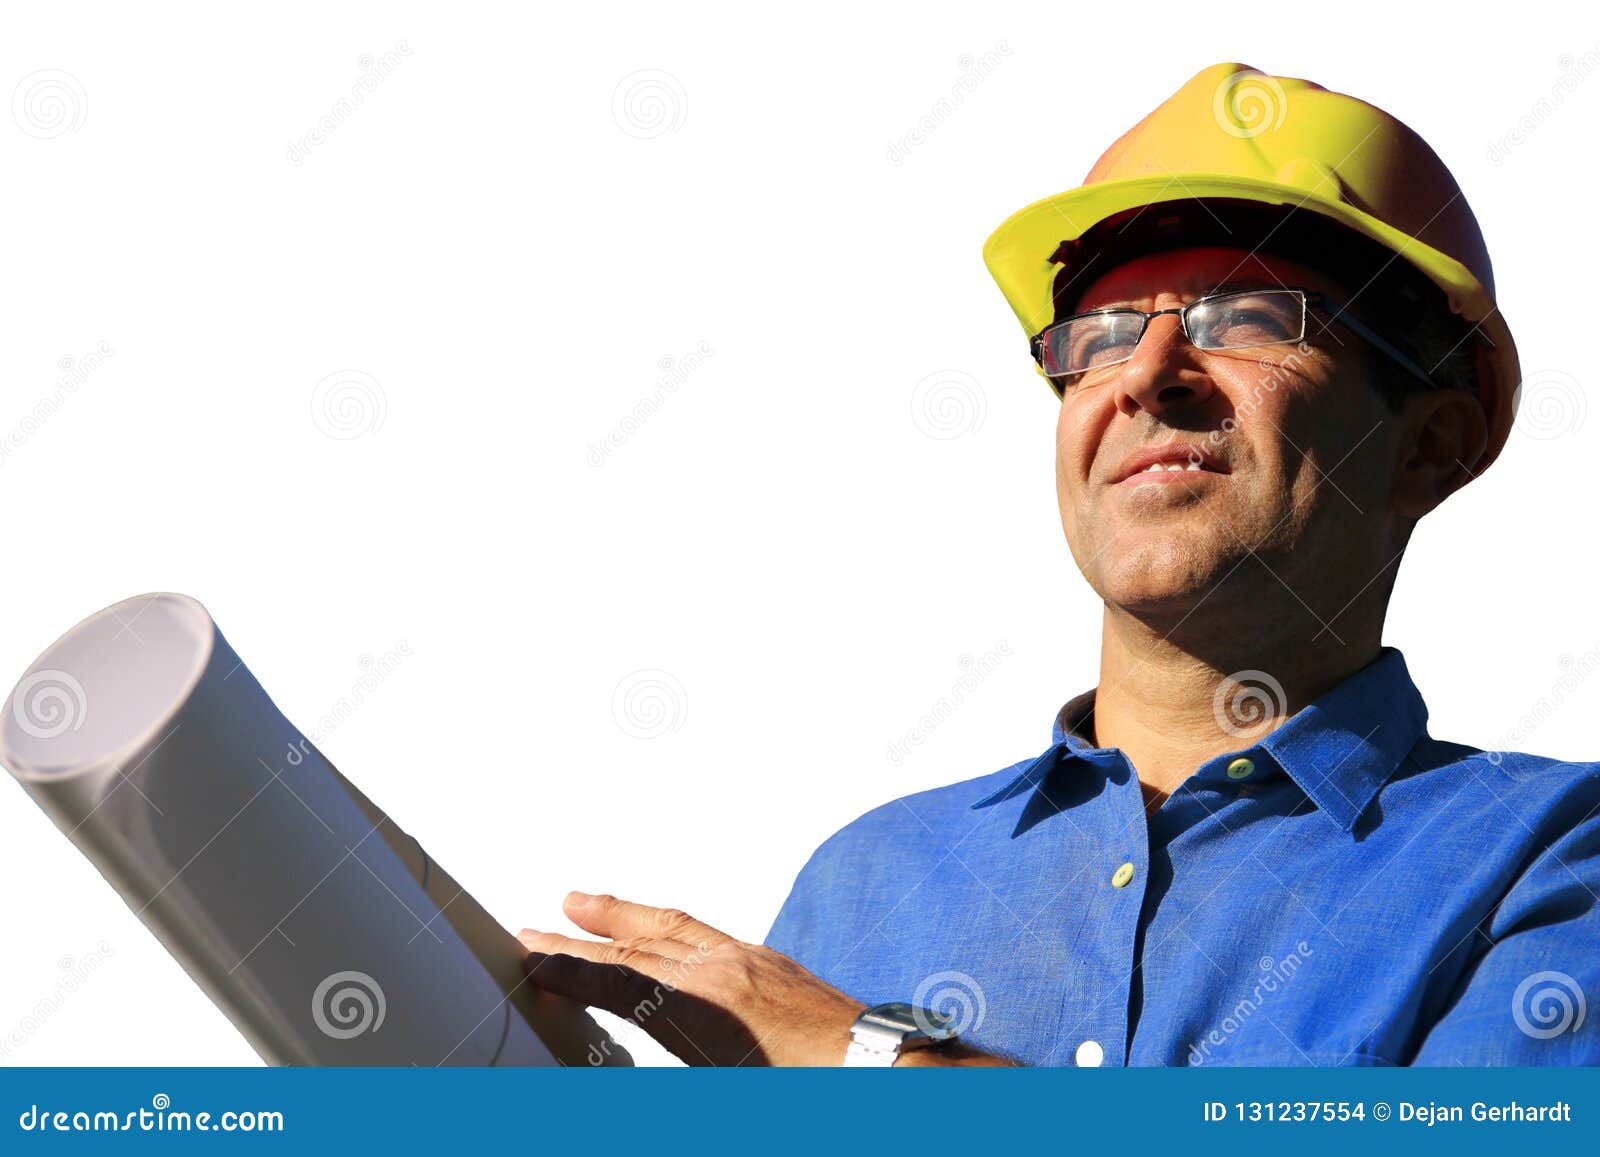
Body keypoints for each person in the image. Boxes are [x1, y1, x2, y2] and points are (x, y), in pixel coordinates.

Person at [518, 62, 1600, 1067]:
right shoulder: (866, 880)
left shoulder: (1549, 861)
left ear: (1430, 441)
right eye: (1099, 332)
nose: (1149, 373)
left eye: (1249, 313)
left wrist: (862, 1051)